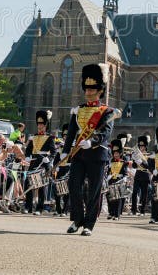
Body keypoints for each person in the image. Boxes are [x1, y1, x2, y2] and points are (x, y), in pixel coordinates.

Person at [61, 63, 118, 236]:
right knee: (73, 185)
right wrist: (65, 150)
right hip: (79, 153)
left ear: (100, 90)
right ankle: (77, 219)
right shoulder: (78, 110)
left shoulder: (107, 111)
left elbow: (105, 133)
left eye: (92, 88)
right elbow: (71, 132)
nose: (88, 91)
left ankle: (89, 224)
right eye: (86, 88)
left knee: (94, 191)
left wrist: (92, 141)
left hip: (97, 154)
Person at [24, 110, 55, 215]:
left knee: (41, 186)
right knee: (28, 184)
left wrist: (48, 158)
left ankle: (39, 208)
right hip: (34, 162)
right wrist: (27, 156)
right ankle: (28, 207)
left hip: (43, 163)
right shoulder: (33, 137)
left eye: (42, 124)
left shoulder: (50, 137)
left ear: (45, 125)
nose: (39, 126)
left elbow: (53, 152)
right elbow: (28, 150)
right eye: (38, 124)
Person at [106, 137, 129, 220]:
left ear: (120, 153)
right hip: (111, 181)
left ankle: (117, 215)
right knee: (110, 198)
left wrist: (122, 177)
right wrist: (108, 176)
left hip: (119, 181)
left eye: (117, 153)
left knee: (118, 199)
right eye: (114, 153)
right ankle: (111, 213)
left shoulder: (123, 162)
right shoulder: (110, 161)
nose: (115, 155)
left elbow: (125, 173)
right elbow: (108, 171)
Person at [131, 134, 152, 216]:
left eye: (142, 146)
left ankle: (142, 211)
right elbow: (134, 166)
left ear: (145, 146)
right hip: (138, 174)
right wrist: (134, 159)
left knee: (144, 194)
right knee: (134, 192)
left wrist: (140, 161)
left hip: (145, 175)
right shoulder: (137, 154)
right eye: (140, 146)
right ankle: (133, 210)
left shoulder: (149, 155)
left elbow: (148, 166)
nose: (141, 147)